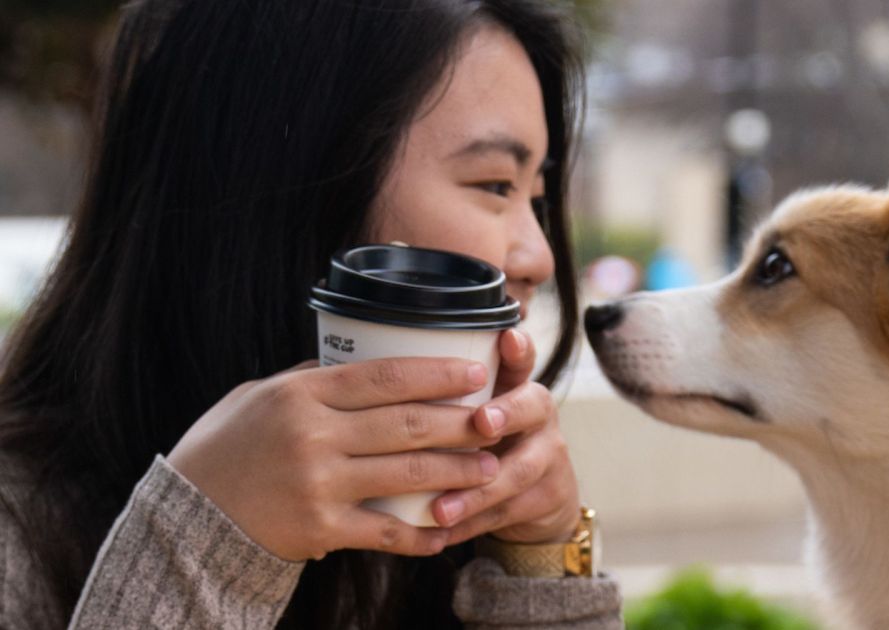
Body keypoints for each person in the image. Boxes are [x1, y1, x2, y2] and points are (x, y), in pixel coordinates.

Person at [0, 0, 622, 628]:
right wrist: (204, 542)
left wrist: (546, 556)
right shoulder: (17, 538)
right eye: (494, 185)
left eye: (537, 198)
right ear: (295, 185)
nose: (540, 257)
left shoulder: (453, 533)